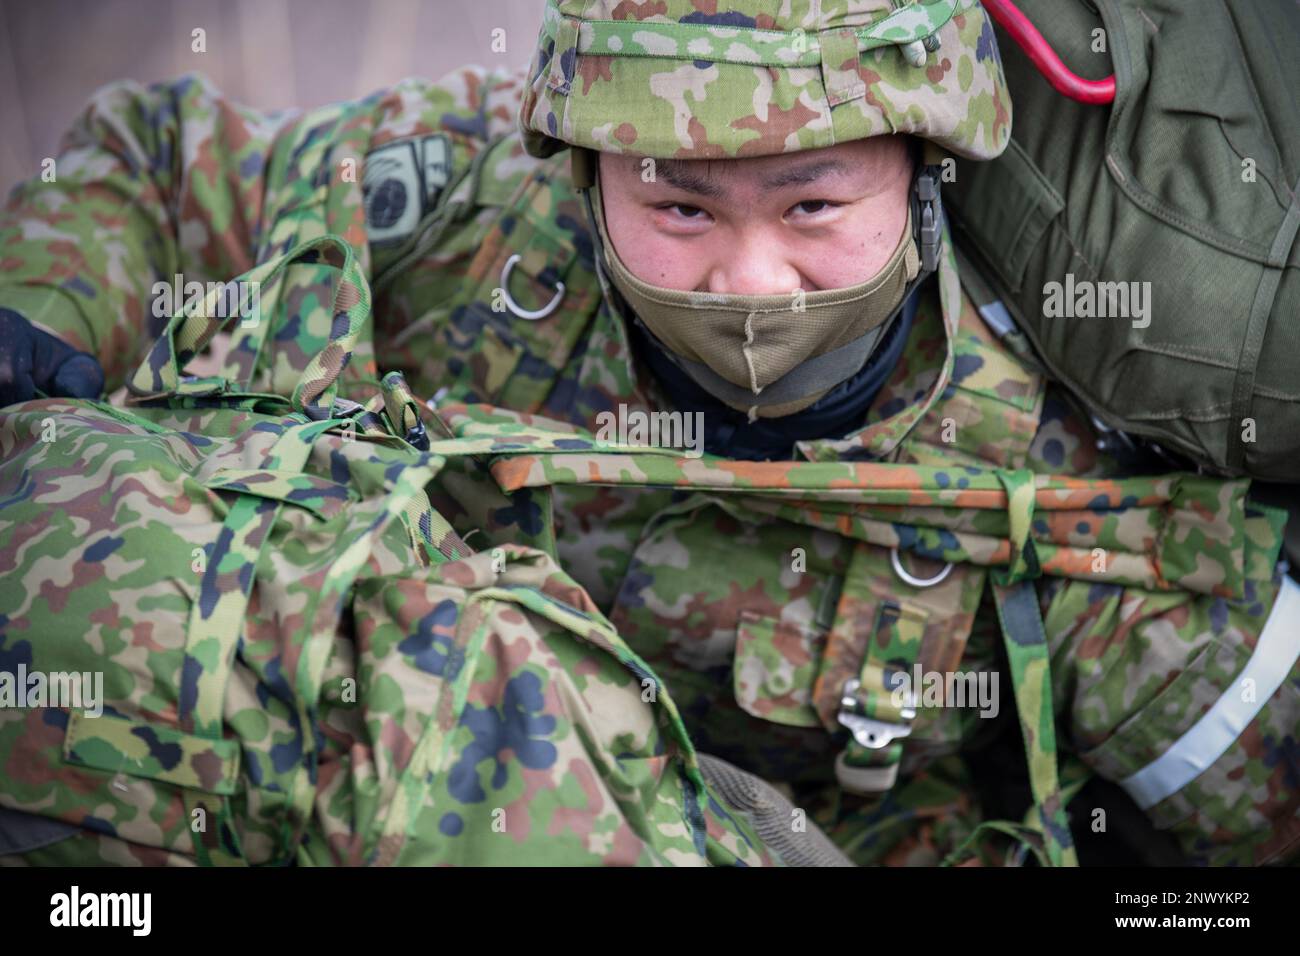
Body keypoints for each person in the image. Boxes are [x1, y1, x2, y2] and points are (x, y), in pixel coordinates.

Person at [0, 0, 1294, 866]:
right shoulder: (463, 204)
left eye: (813, 204)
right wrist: (37, 316)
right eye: (679, 210)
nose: (748, 282)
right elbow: (166, 175)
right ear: (585, 174)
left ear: (927, 171)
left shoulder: (1060, 495)